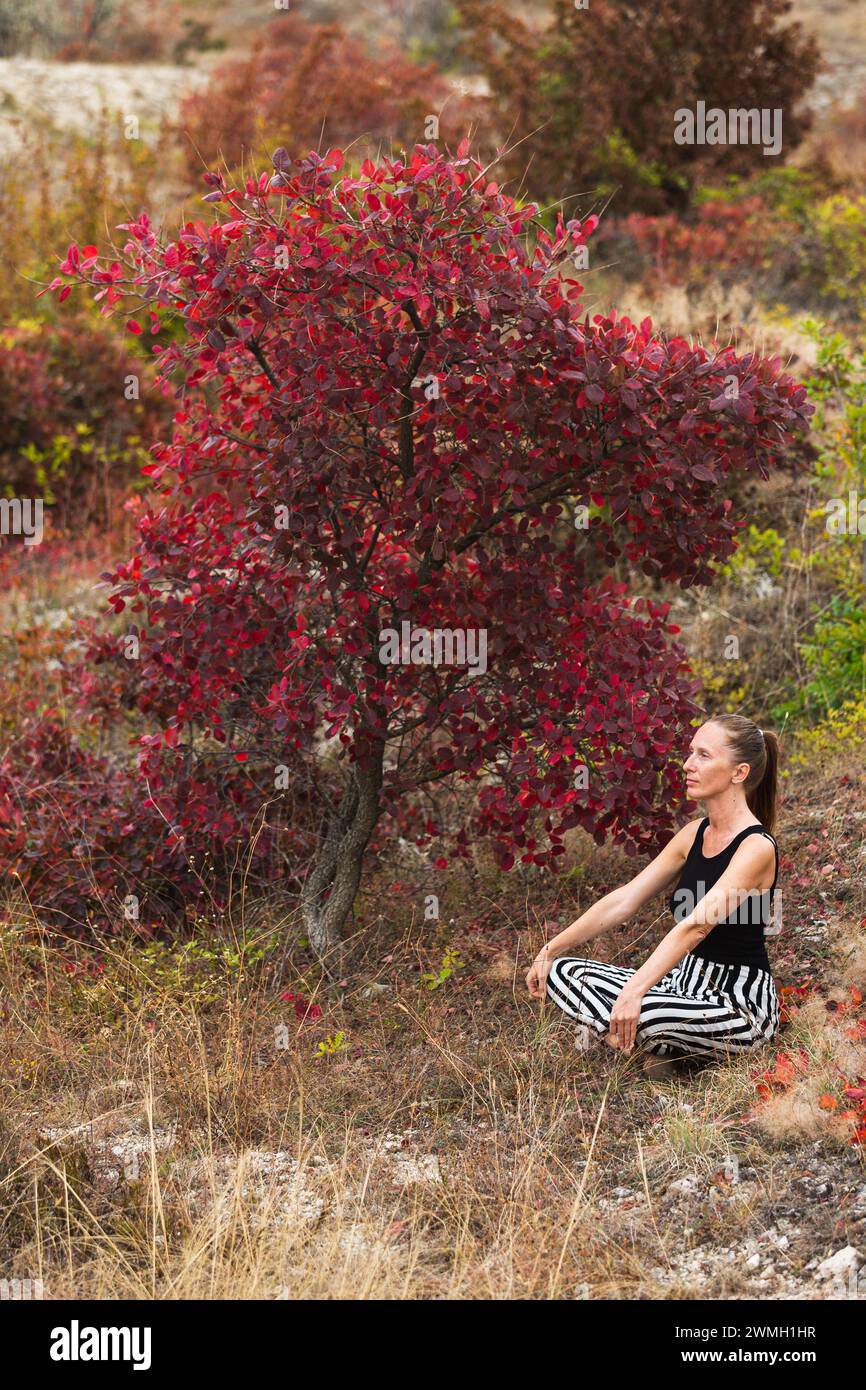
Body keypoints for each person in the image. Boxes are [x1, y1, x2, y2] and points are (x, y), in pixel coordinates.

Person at [526, 715, 781, 1072]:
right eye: (691, 752)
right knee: (560, 971)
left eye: (704, 755)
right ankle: (656, 1044)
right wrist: (551, 947)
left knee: (643, 1009)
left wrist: (634, 992)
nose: (688, 764)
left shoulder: (756, 847)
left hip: (736, 1004)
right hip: (681, 983)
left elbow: (696, 927)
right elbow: (625, 899)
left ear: (738, 773)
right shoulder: (695, 833)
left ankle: (646, 1038)